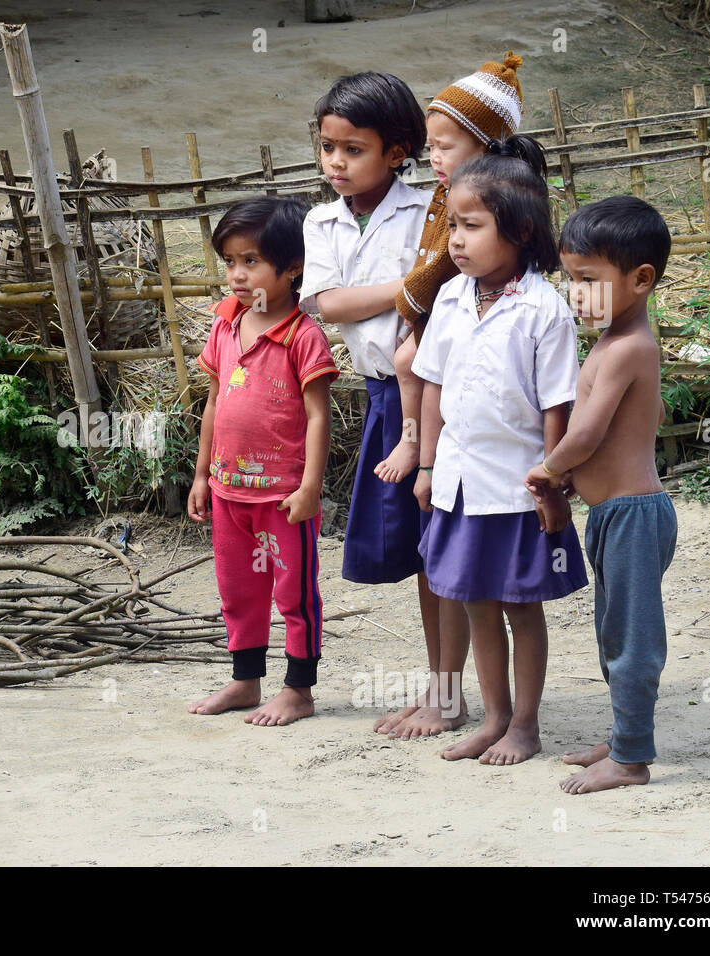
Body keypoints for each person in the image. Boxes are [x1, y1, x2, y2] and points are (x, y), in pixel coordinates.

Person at [300, 71, 468, 738]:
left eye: (354, 150)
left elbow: (442, 291)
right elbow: (325, 302)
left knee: (442, 545)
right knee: (419, 552)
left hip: (433, 394)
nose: (337, 163)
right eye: (327, 148)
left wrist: (400, 289)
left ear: (398, 152)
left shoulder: (430, 209)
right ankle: (441, 688)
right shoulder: (320, 221)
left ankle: (449, 695)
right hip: (379, 395)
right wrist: (408, 285)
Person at [412, 136, 589, 765]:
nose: (455, 239)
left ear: (516, 231)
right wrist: (428, 465)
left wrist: (550, 483)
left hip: (516, 488)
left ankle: (526, 725)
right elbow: (431, 388)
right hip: (458, 483)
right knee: (475, 602)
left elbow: (556, 409)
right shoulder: (452, 299)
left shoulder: (545, 310)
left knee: (520, 606)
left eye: (471, 225)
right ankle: (492, 717)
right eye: (452, 224)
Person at [372, 53, 526, 738]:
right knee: (434, 560)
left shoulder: (500, 236)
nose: (432, 158)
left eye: (444, 145)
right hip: (436, 399)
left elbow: (431, 275)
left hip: (473, 428)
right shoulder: (450, 204)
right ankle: (447, 692)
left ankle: (479, 706)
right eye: (430, 146)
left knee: (474, 574)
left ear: (486, 149)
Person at [524, 196, 677, 793]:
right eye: (571, 280)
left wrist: (548, 469)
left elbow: (585, 434)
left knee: (634, 639)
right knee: (612, 631)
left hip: (634, 516)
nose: (576, 294)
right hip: (613, 514)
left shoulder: (630, 347)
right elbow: (645, 415)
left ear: (641, 280)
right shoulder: (614, 346)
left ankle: (633, 758)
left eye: (589, 280)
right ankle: (621, 737)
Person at [188, 196, 339, 726]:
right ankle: (245, 680)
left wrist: (310, 487)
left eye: (251, 261)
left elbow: (318, 417)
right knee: (238, 590)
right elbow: (212, 402)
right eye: (230, 261)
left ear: (292, 267)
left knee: (292, 593)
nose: (237, 274)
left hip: (283, 496)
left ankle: (298, 689)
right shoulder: (225, 325)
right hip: (229, 492)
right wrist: (202, 473)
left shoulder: (303, 335)